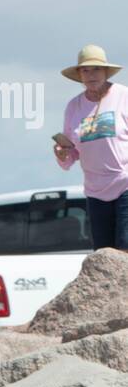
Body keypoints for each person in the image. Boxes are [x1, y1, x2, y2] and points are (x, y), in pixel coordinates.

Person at [55, 44, 128, 251]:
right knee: (103, 255)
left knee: (125, 249)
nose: (91, 74)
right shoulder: (74, 106)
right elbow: (71, 153)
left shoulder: (123, 96)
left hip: (125, 184)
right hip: (95, 189)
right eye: (85, 70)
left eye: (96, 68)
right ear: (79, 75)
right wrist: (62, 154)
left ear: (106, 71)